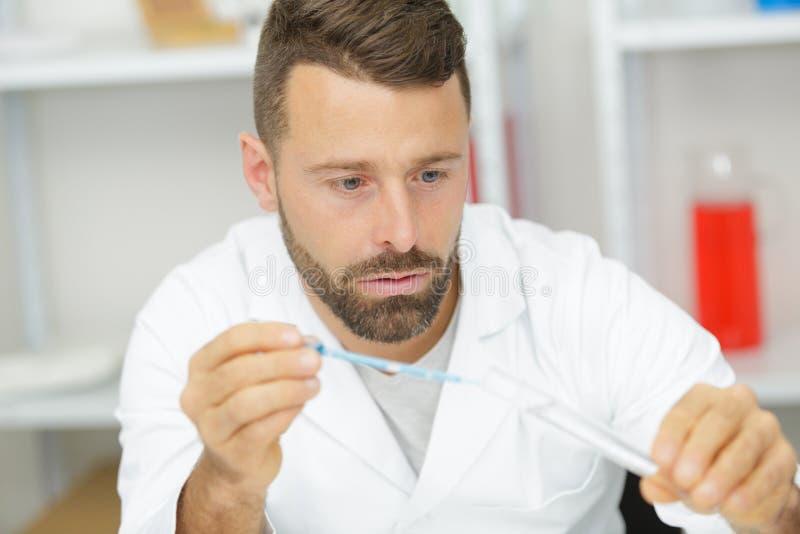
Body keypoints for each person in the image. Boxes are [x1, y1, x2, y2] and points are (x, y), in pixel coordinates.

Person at [116, 1, 800, 532]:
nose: (402, 232)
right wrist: (228, 482)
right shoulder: (193, 320)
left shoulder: (579, 296)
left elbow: (767, 513)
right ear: (262, 174)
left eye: (431, 174)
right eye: (350, 183)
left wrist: (767, 503)